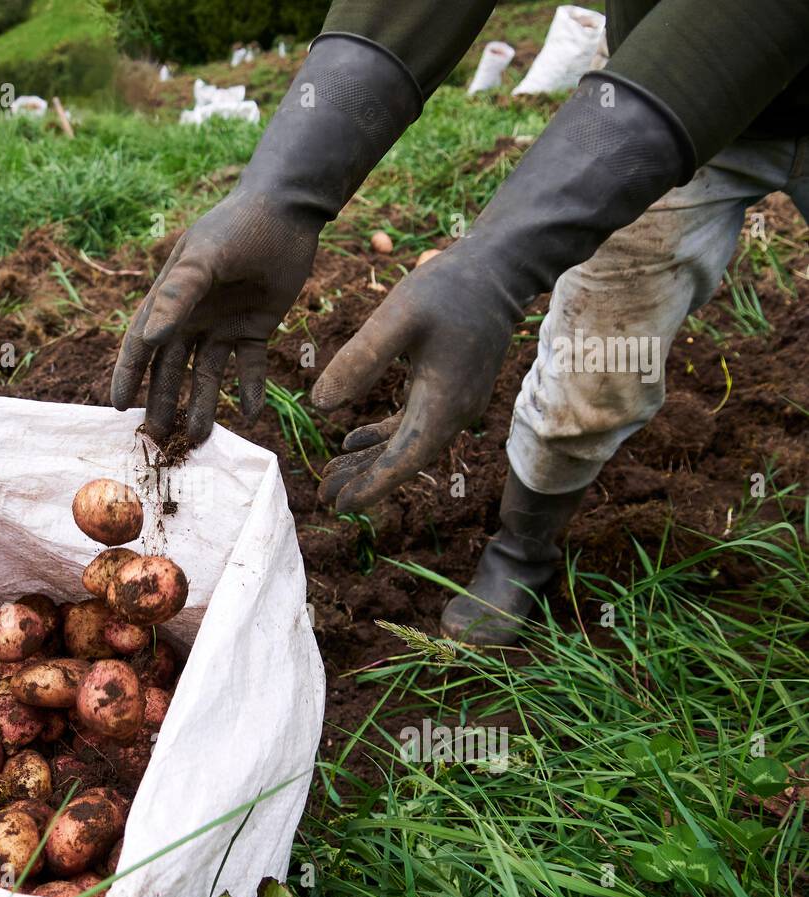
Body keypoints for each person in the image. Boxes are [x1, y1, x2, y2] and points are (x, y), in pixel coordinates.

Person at [110, 1, 809, 644]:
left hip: (668, 90)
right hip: (656, 93)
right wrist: (286, 188)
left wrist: (500, 263)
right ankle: (524, 548)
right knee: (593, 369)